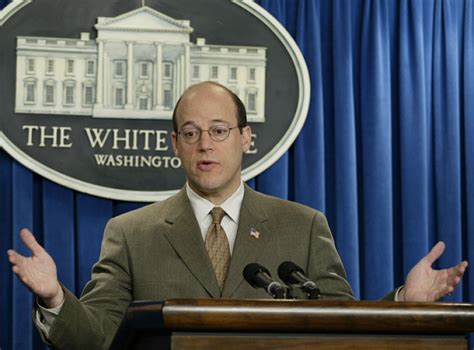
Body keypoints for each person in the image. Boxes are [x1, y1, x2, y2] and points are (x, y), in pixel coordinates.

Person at [7, 81, 468, 349]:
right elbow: (95, 338)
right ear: (174, 145)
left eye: (219, 130)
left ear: (246, 138)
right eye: (190, 132)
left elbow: (340, 325)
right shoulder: (130, 233)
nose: (205, 143)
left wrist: (405, 302)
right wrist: (54, 299)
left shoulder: (303, 225)